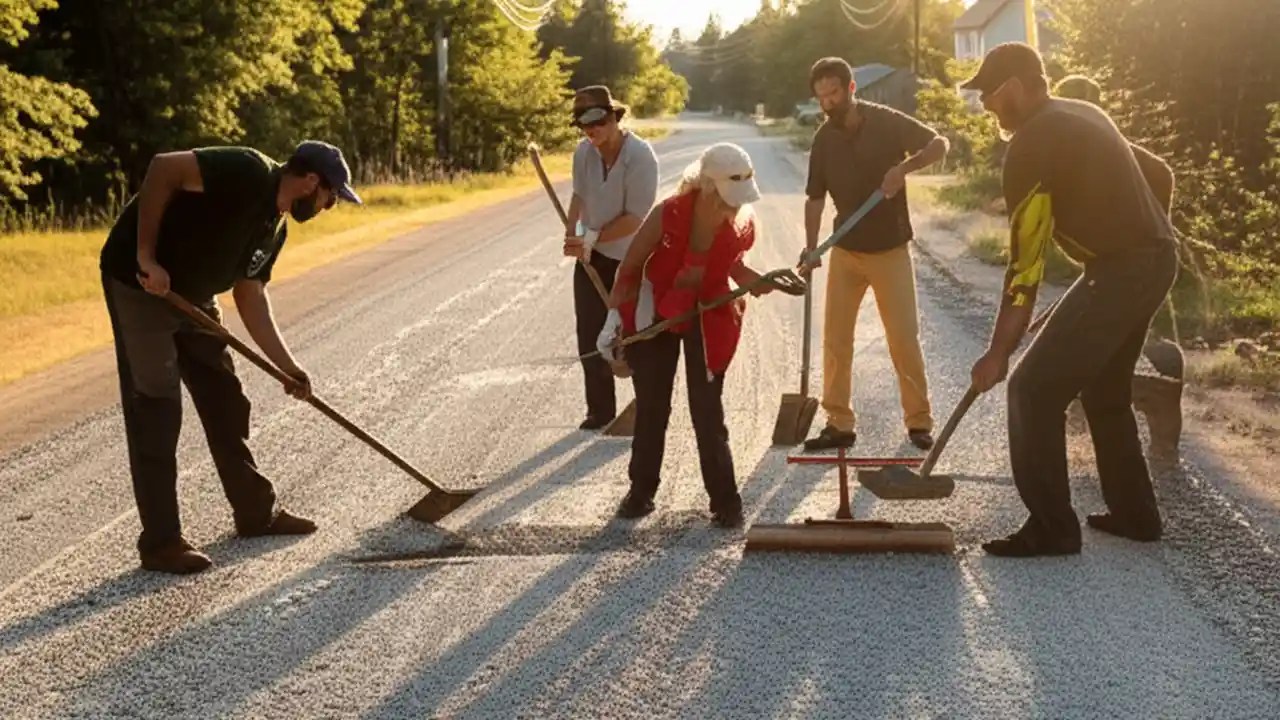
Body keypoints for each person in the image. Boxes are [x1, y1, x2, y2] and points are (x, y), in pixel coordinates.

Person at [99, 140, 362, 574]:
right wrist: (147, 256)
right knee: (157, 410)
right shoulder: (246, 171)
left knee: (225, 399)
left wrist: (287, 366)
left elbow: (250, 296)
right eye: (331, 197)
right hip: (141, 286)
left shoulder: (274, 228)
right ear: (312, 181)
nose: (330, 206)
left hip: (194, 296)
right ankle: (161, 543)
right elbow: (163, 166)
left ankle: (256, 514)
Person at [961, 42, 1178, 557]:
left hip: (1124, 270)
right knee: (1105, 392)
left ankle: (1052, 528)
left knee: (1032, 389)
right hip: (1155, 258)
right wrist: (1137, 235)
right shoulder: (1083, 111)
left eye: (988, 95)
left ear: (1013, 87)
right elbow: (1160, 175)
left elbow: (1024, 269)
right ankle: (1135, 515)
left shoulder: (1031, 145)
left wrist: (999, 353)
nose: (985, 106)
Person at [599, 143, 779, 528]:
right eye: (728, 199)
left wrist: (761, 281)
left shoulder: (741, 221)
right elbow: (630, 269)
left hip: (708, 313)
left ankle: (725, 501)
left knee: (707, 409)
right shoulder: (669, 214)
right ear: (709, 189)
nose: (735, 207)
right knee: (652, 406)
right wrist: (614, 319)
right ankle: (641, 491)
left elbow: (735, 267)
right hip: (660, 310)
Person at [799, 57, 951, 453]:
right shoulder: (823, 140)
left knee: (902, 338)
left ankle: (919, 423)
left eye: (833, 93)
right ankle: (839, 423)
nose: (828, 103)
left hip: (889, 249)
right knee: (836, 340)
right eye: (821, 97)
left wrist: (904, 168)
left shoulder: (886, 121)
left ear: (851, 89)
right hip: (846, 252)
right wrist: (812, 246)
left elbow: (939, 144)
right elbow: (814, 198)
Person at [563, 85, 660, 430]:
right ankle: (600, 410)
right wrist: (572, 233)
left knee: (630, 331)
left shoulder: (640, 156)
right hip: (591, 256)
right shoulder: (582, 154)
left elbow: (637, 218)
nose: (592, 131)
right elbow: (578, 195)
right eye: (584, 125)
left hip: (631, 257)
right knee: (589, 333)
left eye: (599, 121)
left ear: (614, 117)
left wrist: (591, 237)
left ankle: (646, 408)